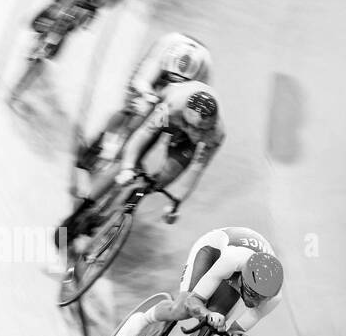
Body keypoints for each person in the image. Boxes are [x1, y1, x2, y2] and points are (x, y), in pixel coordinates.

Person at [60, 81, 224, 245]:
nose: (198, 133)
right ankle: (84, 207)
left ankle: (121, 206)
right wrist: (127, 167)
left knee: (163, 178)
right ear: (185, 118)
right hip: (168, 117)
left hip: (184, 137)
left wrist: (177, 202)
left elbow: (197, 170)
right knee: (125, 161)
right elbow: (143, 134)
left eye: (203, 130)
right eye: (196, 128)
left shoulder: (216, 135)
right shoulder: (172, 106)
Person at [110, 226, 284, 336]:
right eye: (254, 295)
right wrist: (207, 313)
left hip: (240, 268)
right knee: (183, 309)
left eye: (262, 298)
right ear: (243, 281)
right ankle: (142, 319)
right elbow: (194, 301)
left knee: (212, 328)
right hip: (212, 251)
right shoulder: (232, 260)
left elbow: (232, 333)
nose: (256, 303)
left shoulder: (273, 298)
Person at [78, 32, 212, 171]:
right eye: (171, 77)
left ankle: (136, 156)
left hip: (188, 84)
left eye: (179, 80)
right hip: (161, 60)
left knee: (162, 123)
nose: (173, 80)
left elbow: (192, 112)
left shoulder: (203, 73)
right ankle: (101, 143)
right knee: (134, 105)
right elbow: (140, 82)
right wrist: (148, 99)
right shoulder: (165, 49)